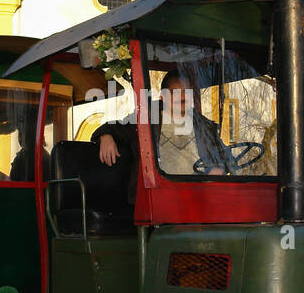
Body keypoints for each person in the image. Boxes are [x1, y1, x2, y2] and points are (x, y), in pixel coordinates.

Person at [94, 71, 231, 200]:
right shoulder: (147, 119)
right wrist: (105, 136)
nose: (182, 97)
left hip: (198, 196)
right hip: (157, 196)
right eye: (175, 93)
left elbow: (225, 157)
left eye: (185, 92)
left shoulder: (204, 126)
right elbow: (112, 127)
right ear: (163, 96)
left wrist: (218, 168)